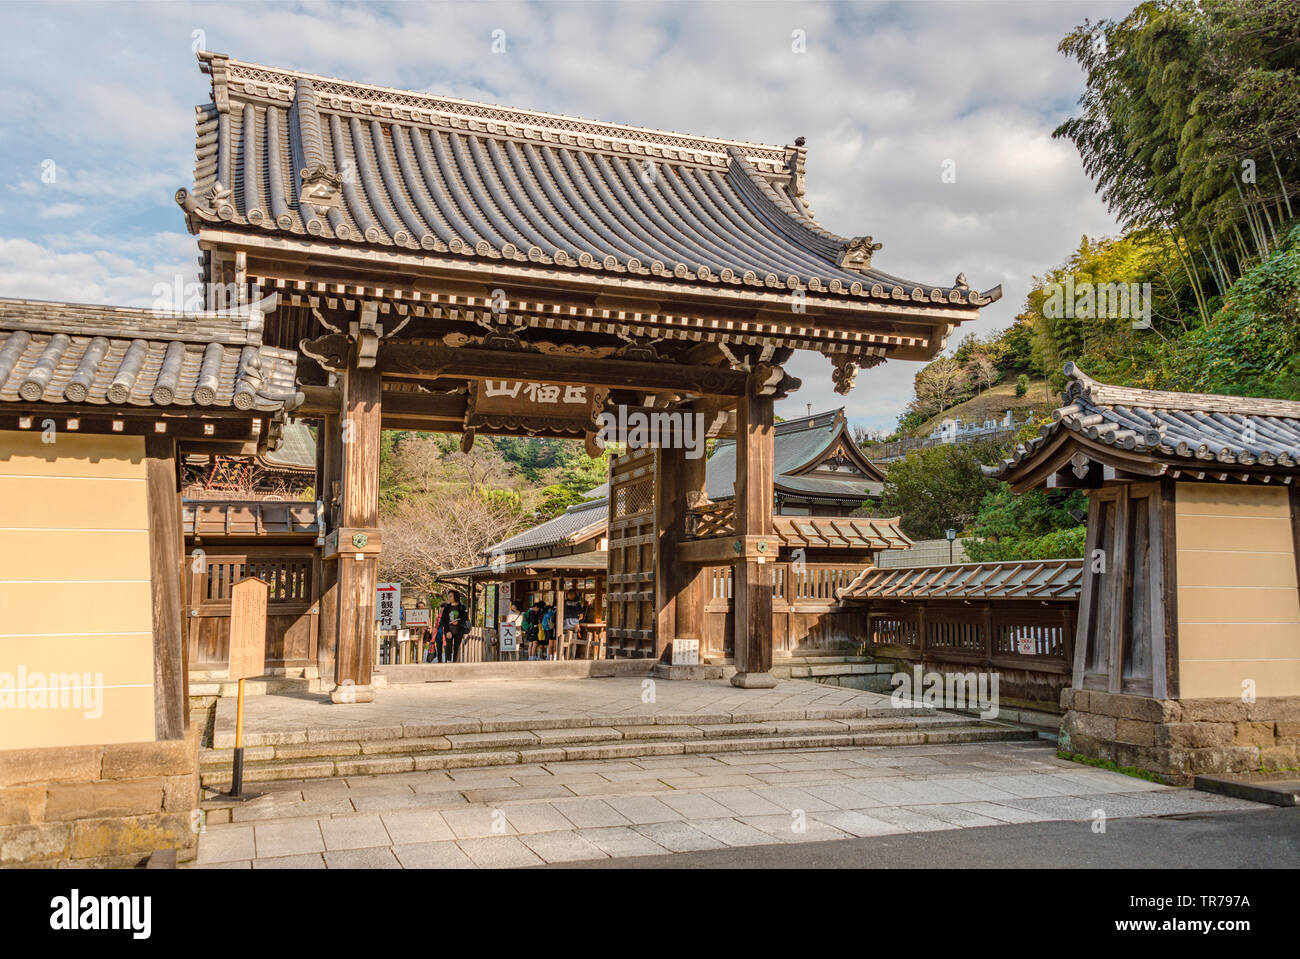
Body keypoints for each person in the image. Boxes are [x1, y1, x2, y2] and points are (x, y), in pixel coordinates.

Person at [437, 590, 469, 663]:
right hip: (449, 630)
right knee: (448, 647)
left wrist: (459, 621)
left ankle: (455, 661)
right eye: (449, 596)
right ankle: (448, 661)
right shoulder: (447, 607)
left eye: (451, 596)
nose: (449, 597)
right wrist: (447, 631)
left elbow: (465, 618)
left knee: (457, 647)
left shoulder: (462, 607)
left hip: (459, 630)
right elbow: (444, 620)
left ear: (455, 596)